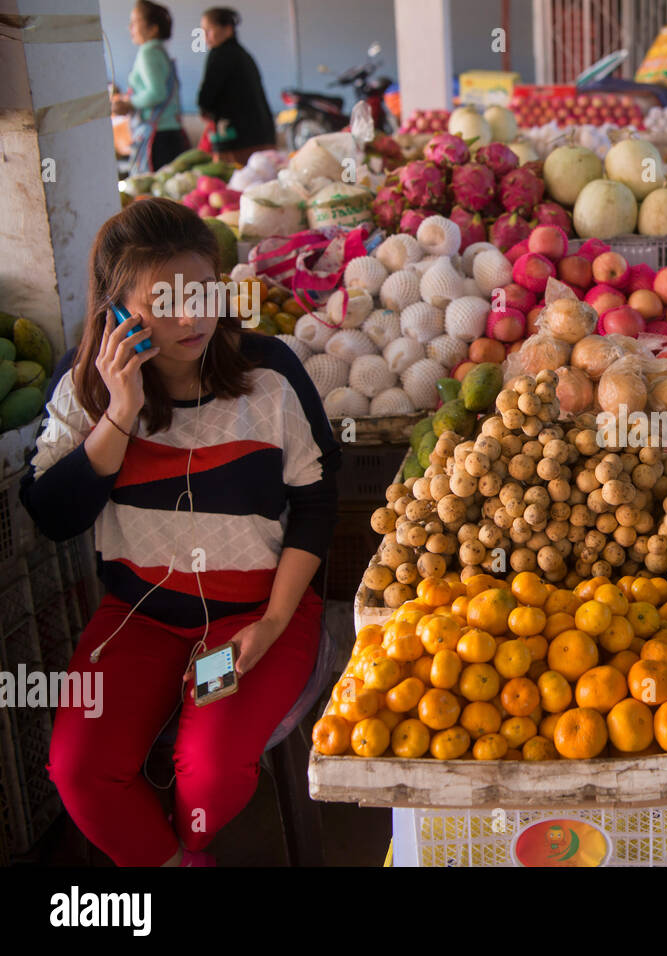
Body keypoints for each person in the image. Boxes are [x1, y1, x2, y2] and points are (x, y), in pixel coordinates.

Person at [23, 199, 340, 867]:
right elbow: (53, 516)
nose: (191, 315)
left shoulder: (269, 373)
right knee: (79, 771)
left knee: (208, 768)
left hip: (252, 618)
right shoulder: (83, 388)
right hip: (140, 620)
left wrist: (274, 622)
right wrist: (120, 412)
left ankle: (187, 849)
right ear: (117, 312)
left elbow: (316, 502)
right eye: (163, 303)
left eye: (201, 291)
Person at [196, 7, 277, 164]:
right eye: (202, 31)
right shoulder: (244, 55)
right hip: (263, 136)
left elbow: (205, 98)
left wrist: (204, 109)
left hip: (238, 142)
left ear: (228, 30)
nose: (205, 37)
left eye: (209, 30)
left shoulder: (219, 54)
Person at [112, 1, 186, 173]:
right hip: (169, 131)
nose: (129, 27)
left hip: (158, 135)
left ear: (153, 28)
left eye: (135, 22)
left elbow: (156, 92)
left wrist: (129, 102)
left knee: (153, 191)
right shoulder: (159, 51)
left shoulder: (148, 52)